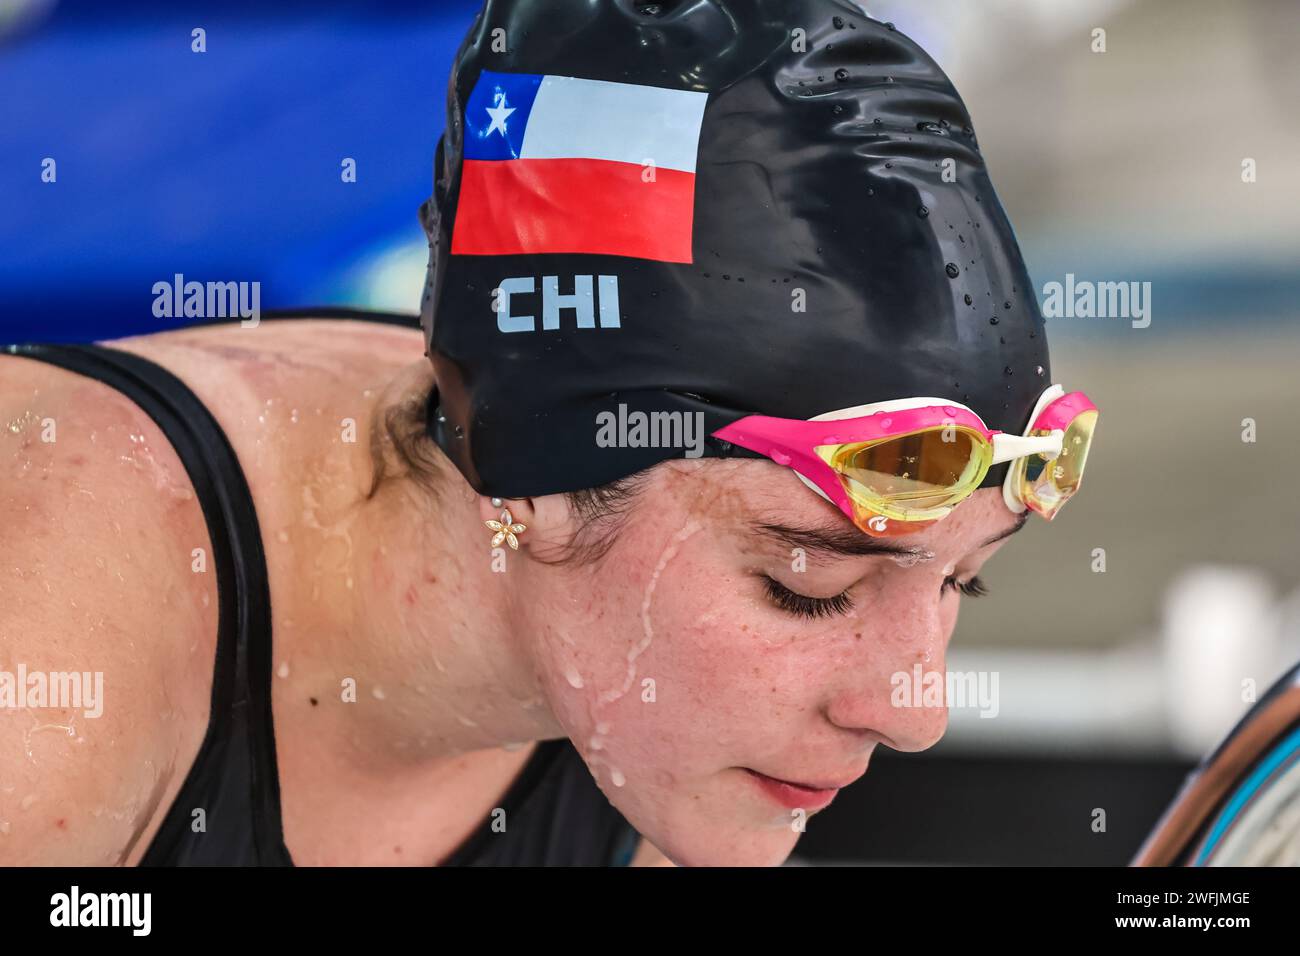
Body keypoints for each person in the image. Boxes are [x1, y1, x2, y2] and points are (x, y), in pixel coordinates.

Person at [0, 0, 1096, 867]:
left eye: (962, 582)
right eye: (806, 584)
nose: (913, 709)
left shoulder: (665, 743)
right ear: (533, 478)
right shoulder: (51, 653)